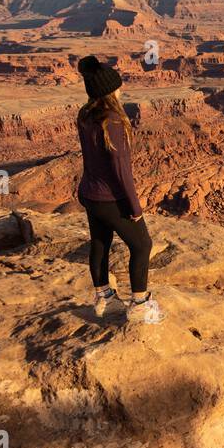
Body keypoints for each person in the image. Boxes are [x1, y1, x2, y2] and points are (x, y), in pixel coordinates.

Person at [75, 55, 163, 323]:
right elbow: (121, 169)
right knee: (142, 244)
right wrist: (134, 208)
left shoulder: (85, 114)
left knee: (100, 243)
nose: (120, 89)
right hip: (109, 197)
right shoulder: (113, 121)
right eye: (117, 86)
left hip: (89, 194)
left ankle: (105, 299)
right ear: (109, 91)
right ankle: (139, 305)